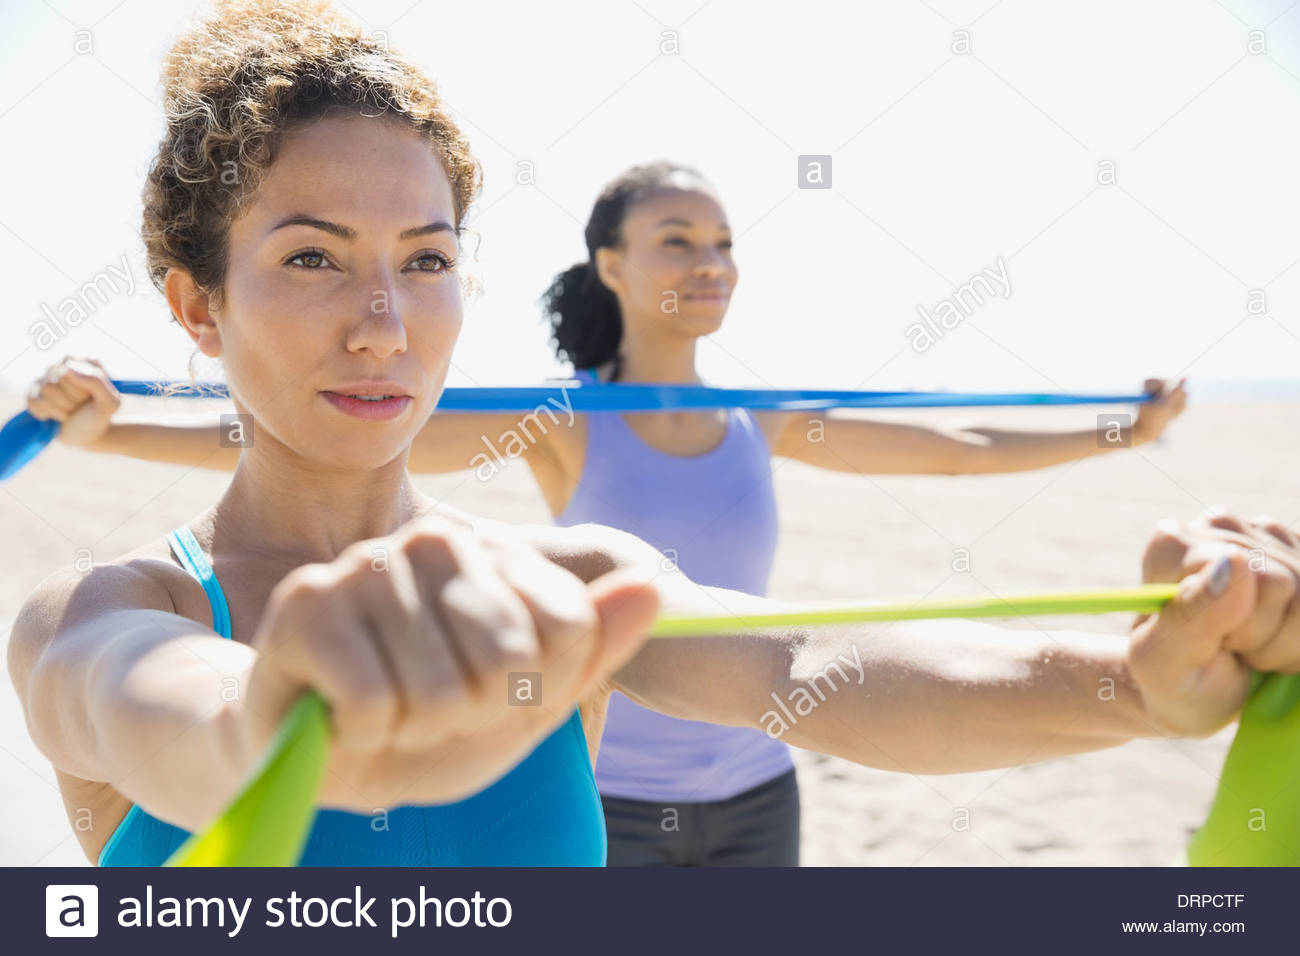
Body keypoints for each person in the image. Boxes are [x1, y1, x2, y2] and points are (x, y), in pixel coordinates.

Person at [9, 0, 1277, 870]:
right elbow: (164, 708)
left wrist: (1132, 685)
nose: (384, 324)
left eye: (427, 259)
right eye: (310, 257)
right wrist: (286, 712)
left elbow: (803, 667)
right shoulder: (106, 612)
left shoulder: (564, 587)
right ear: (196, 303)